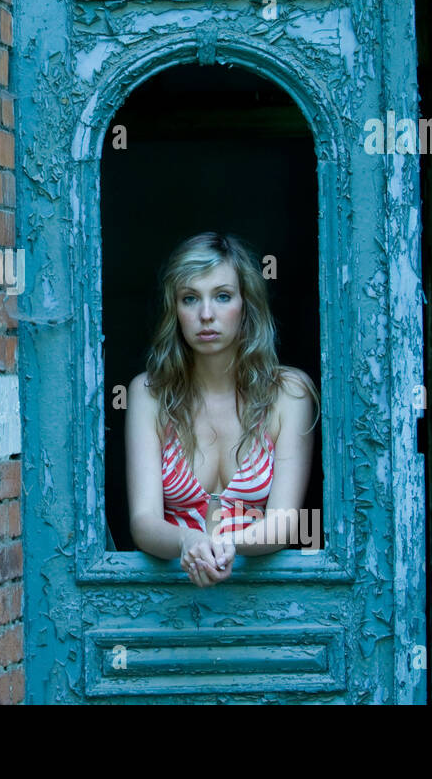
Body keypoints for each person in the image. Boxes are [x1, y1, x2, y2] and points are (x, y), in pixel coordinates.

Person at [125, 232, 320, 586]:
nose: (206, 314)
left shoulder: (289, 393)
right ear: (175, 310)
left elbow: (286, 522)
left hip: (262, 602)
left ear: (247, 304)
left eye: (223, 296)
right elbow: (143, 520)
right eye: (189, 299)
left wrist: (230, 544)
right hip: (170, 604)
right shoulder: (148, 394)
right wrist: (189, 541)